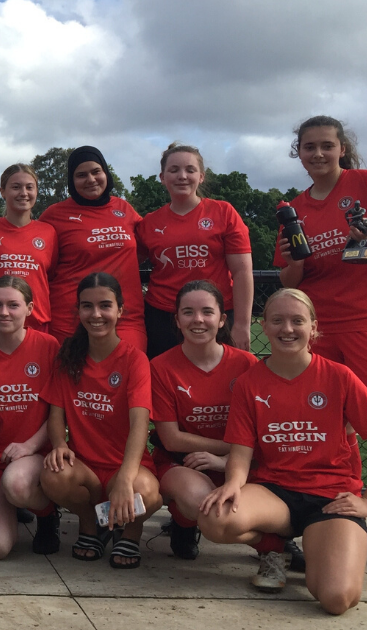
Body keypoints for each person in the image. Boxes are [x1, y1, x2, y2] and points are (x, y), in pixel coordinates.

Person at [276, 115, 367, 575]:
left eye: (326, 145)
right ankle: (315, 529)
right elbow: (286, 277)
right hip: (318, 331)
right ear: (297, 154)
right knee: (320, 434)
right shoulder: (295, 208)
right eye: (308, 147)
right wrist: (297, 257)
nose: (317, 154)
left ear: (342, 148)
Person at [199, 288, 367, 614]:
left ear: (313, 328)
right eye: (277, 320)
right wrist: (232, 484)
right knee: (215, 518)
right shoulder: (249, 382)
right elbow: (240, 453)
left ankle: (321, 546)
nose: (287, 329)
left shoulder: (339, 376)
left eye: (298, 321)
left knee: (336, 598)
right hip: (276, 494)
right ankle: (277, 543)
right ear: (263, 326)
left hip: (330, 498)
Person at [39, 272, 161, 569]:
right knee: (52, 476)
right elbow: (56, 414)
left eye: (105, 306)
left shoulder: (134, 359)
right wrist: (58, 443)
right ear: (78, 310)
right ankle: (90, 524)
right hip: (86, 466)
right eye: (87, 306)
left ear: (120, 310)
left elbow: (139, 424)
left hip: (127, 462)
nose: (96, 314)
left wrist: (125, 477)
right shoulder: (69, 357)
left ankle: (129, 531)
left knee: (146, 493)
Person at [150, 280, 257, 560]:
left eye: (207, 312)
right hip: (184, 460)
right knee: (206, 507)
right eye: (188, 312)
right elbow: (172, 438)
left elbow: (261, 431)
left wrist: (226, 459)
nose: (198, 320)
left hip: (239, 460)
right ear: (177, 320)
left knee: (269, 490)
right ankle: (184, 523)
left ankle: (273, 544)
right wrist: (227, 448)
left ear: (222, 320)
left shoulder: (247, 365)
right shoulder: (160, 367)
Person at [0, 275, 61, 559]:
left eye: (13, 305)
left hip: (36, 452)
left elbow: (60, 409)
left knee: (16, 484)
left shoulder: (48, 346)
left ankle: (46, 514)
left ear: (30, 308)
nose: (4, 312)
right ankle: (9, 506)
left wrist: (29, 446)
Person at [137, 143, 252, 357]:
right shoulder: (149, 223)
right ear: (162, 177)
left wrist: (243, 325)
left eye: (190, 170)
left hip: (215, 315)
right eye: (174, 170)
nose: (182, 176)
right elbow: (125, 260)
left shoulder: (223, 212)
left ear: (201, 177)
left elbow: (242, 271)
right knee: (165, 380)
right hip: (164, 316)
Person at [38, 147, 147, 351]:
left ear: (106, 173)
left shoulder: (124, 209)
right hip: (71, 317)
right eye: (81, 175)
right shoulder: (54, 215)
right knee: (73, 380)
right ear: (71, 180)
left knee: (127, 376)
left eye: (96, 171)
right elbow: (36, 256)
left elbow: (145, 247)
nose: (91, 179)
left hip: (126, 316)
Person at [0, 164, 57, 335]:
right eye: (16, 187)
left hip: (36, 322)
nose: (23, 193)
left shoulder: (49, 232)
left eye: (29, 187)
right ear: (3, 191)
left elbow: (50, 274)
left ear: (37, 191)